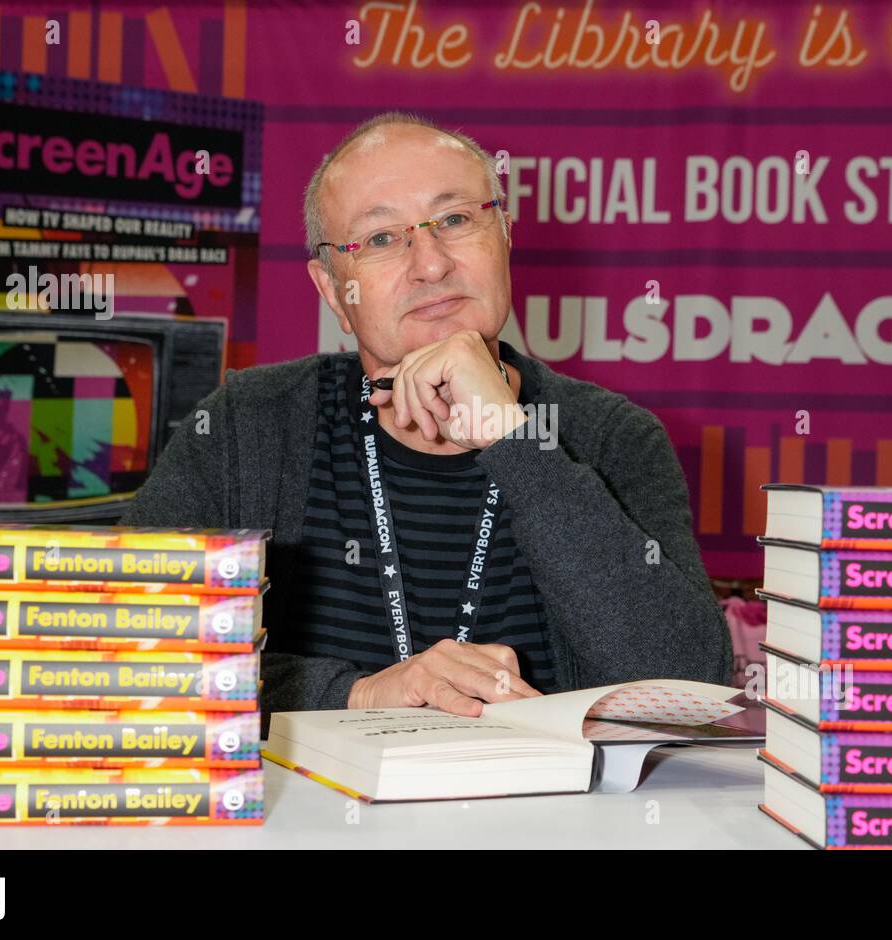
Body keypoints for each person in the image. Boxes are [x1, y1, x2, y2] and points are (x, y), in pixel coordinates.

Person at [122, 111, 732, 732]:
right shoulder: (245, 426)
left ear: (505, 238)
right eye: (382, 239)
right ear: (333, 289)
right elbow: (126, 652)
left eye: (456, 220)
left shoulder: (613, 438)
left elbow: (687, 690)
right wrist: (353, 694)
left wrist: (512, 438)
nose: (432, 264)